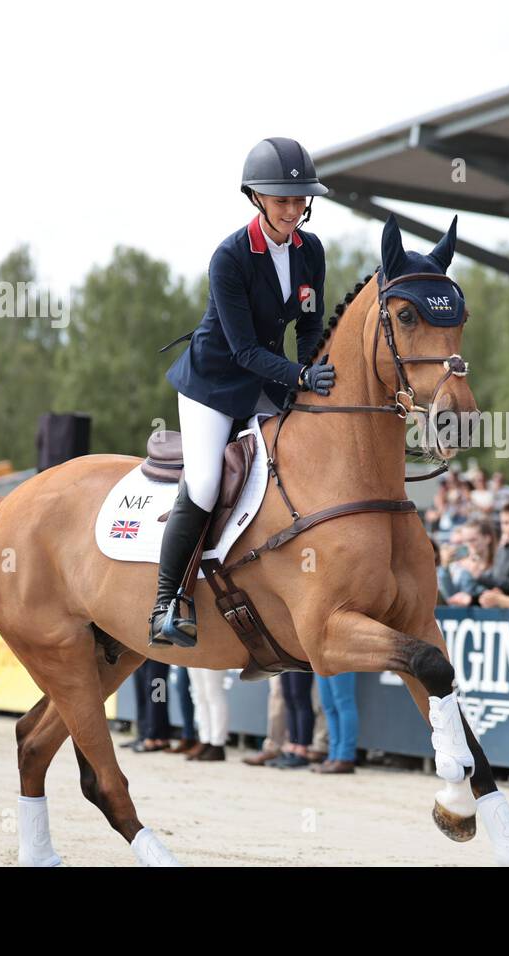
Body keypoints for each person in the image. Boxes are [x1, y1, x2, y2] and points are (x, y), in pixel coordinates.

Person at [150, 137, 332, 648]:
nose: (294, 211)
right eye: (282, 201)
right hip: (215, 383)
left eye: (300, 201)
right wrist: (298, 377)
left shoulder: (310, 250)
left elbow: (311, 326)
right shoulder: (230, 256)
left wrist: (317, 370)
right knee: (206, 481)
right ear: (256, 198)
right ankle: (167, 603)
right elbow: (246, 349)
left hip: (269, 378)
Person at [313, 672, 358, 774]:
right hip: (320, 657)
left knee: (344, 702)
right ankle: (333, 756)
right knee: (328, 706)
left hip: (342, 656)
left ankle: (345, 757)